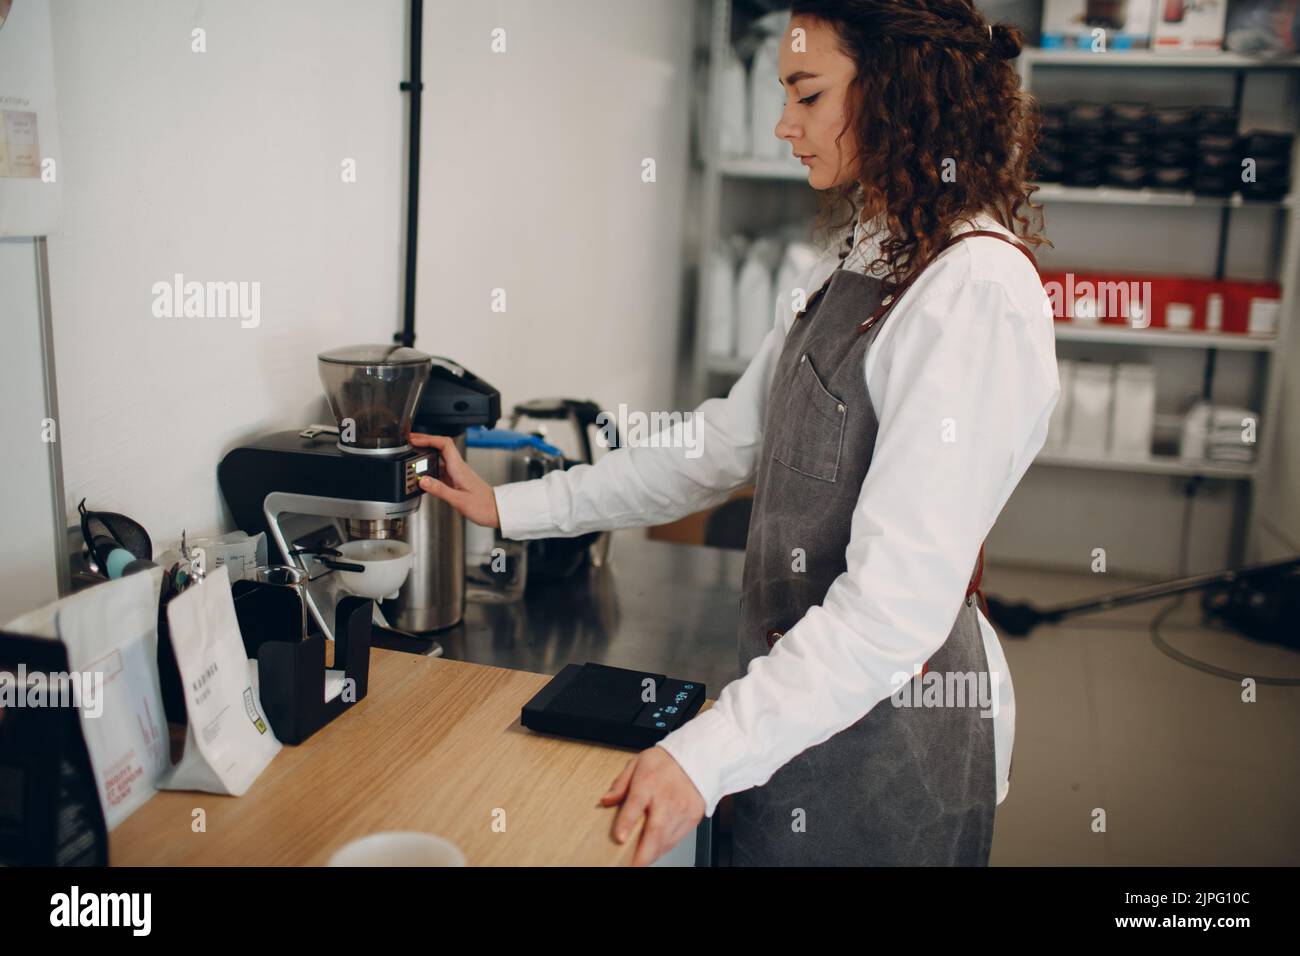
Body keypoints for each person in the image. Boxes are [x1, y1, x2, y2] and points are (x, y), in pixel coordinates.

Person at [412, 0, 1058, 866]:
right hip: (790, 718)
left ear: (901, 93)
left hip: (892, 749)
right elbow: (722, 443)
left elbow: (892, 612)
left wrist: (706, 751)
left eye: (809, 94)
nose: (784, 123)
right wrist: (515, 505)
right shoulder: (864, 253)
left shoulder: (973, 292)